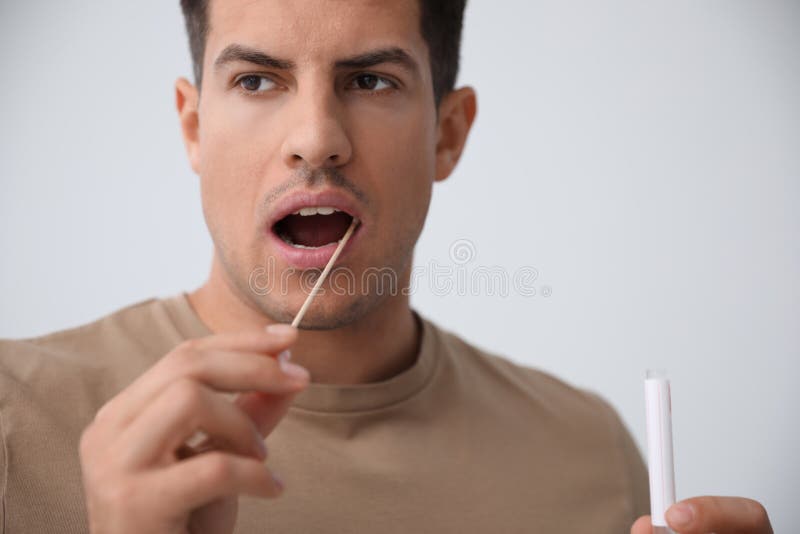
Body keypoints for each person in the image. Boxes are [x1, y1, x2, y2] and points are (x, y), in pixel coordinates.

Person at [0, 1, 773, 533]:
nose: (316, 138)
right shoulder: (14, 422)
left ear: (448, 134)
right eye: (257, 79)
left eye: (369, 80)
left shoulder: (592, 452)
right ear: (194, 127)